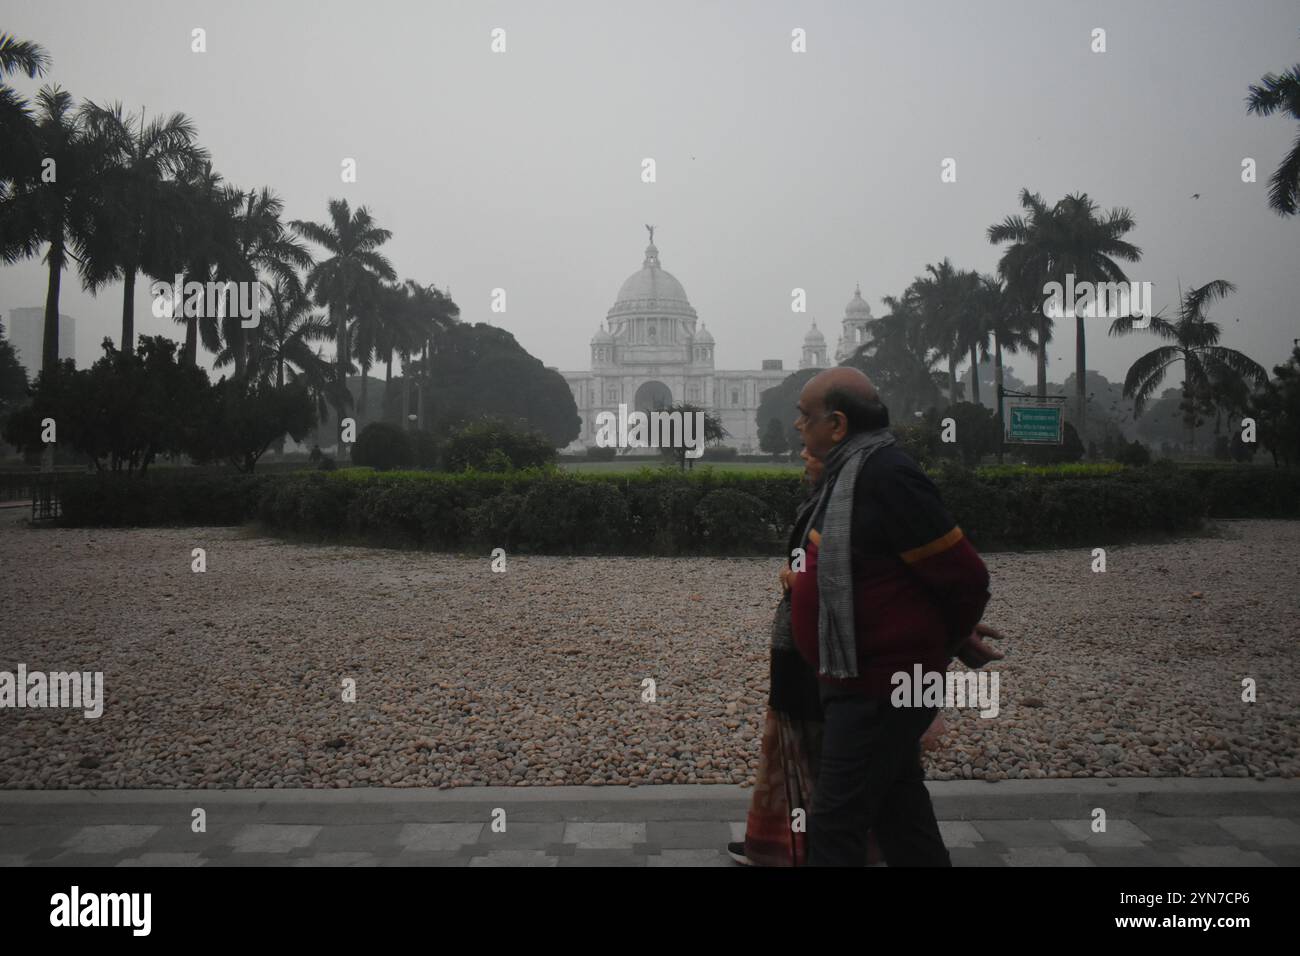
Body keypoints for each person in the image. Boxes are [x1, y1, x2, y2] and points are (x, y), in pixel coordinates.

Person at [791, 367, 995, 867]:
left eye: (804, 417)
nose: (797, 426)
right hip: (865, 678)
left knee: (836, 825)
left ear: (837, 425)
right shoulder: (853, 470)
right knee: (901, 815)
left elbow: (966, 577)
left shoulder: (886, 474)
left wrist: (941, 640)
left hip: (879, 686)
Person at [728, 447, 826, 866]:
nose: (801, 451)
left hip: (815, 647)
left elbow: (830, 575)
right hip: (803, 643)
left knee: (805, 747)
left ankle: (796, 846)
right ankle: (789, 843)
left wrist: (794, 578)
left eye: (808, 432)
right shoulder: (829, 498)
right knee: (801, 745)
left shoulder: (839, 502)